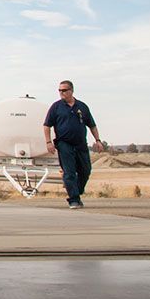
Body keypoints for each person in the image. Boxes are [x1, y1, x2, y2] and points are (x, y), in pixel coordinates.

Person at [43, 80, 104, 209]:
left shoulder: (82, 107)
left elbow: (92, 125)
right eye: (59, 90)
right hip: (64, 144)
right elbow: (47, 125)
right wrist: (48, 142)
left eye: (64, 90)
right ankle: (74, 199)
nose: (61, 93)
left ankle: (77, 191)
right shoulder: (56, 107)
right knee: (69, 172)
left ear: (71, 91)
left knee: (85, 170)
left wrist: (98, 140)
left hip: (81, 144)